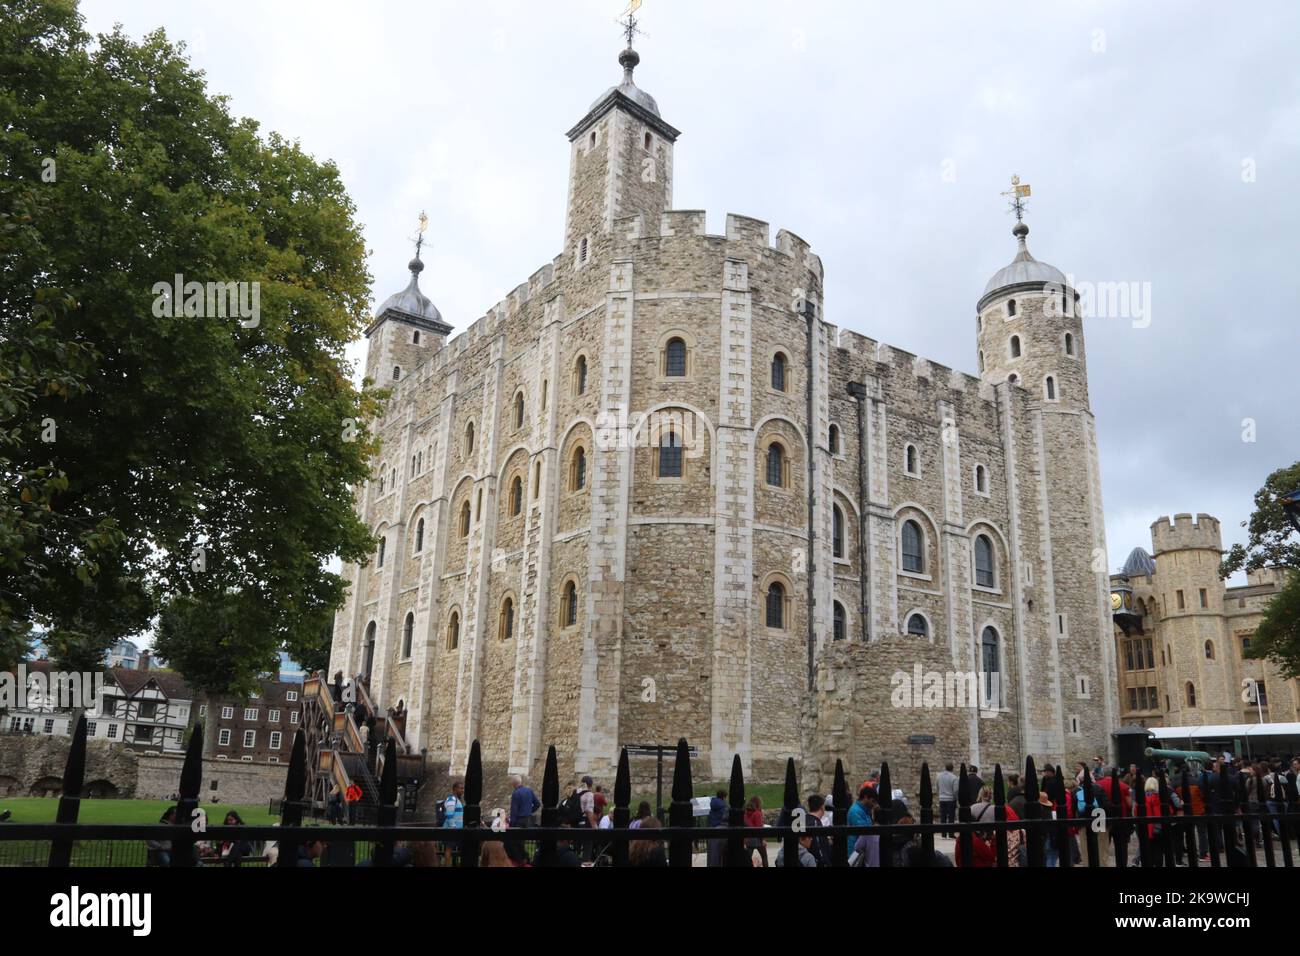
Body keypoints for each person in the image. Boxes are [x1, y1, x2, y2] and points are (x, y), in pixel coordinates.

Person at [441, 779, 465, 866]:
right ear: (455, 789)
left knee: (455, 849)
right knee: (449, 850)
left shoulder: (458, 801)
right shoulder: (451, 799)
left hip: (457, 830)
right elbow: (449, 814)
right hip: (451, 830)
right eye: (461, 788)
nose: (463, 790)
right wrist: (453, 827)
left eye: (463, 788)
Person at [936, 763, 959, 838]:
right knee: (951, 817)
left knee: (943, 816)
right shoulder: (954, 777)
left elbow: (937, 786)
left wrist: (940, 794)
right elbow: (956, 790)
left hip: (942, 798)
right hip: (951, 799)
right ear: (952, 768)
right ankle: (951, 833)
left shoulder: (939, 776)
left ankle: (943, 833)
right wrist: (956, 798)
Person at [744, 796, 768, 866]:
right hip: (757, 838)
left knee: (748, 858)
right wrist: (763, 839)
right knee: (764, 857)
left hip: (748, 838)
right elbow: (759, 827)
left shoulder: (745, 813)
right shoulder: (757, 813)